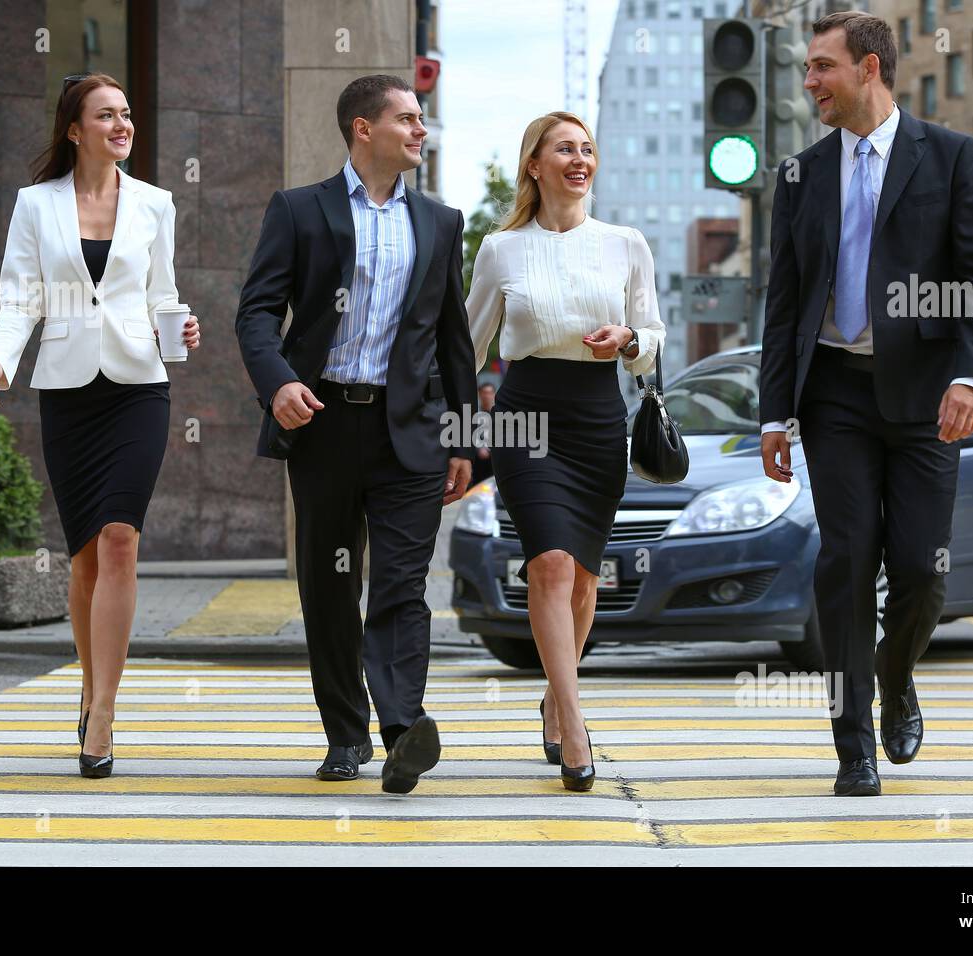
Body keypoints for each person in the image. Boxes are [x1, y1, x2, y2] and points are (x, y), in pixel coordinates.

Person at [758, 12, 973, 796]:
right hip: (834, 394)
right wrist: (773, 413)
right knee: (845, 561)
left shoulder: (950, 157)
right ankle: (852, 747)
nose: (809, 83)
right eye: (805, 69)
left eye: (821, 67)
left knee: (921, 572)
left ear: (869, 69)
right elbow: (784, 301)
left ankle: (896, 678)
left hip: (928, 398)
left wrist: (971, 377)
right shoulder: (799, 175)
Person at [234, 74, 477, 793]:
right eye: (406, 118)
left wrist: (463, 436)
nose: (420, 129)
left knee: (402, 585)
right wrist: (277, 382)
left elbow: (454, 339)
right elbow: (255, 315)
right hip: (324, 423)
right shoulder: (300, 210)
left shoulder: (440, 221)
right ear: (362, 129)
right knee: (332, 585)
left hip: (413, 433)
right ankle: (346, 733)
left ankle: (402, 729)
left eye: (422, 118)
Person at [0, 73, 200, 780]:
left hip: (139, 388)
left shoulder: (156, 204)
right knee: (84, 559)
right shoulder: (35, 205)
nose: (122, 124)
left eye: (127, 114)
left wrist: (180, 328)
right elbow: (22, 295)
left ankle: (103, 711)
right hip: (68, 389)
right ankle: (89, 684)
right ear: (76, 130)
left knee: (120, 540)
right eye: (107, 115)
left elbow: (162, 291)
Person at [466, 111, 665, 791]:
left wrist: (631, 340)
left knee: (583, 578)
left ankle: (556, 694)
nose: (579, 160)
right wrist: (457, 429)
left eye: (587, 150)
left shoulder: (625, 243)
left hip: (597, 417)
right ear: (535, 165)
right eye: (564, 150)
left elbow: (652, 339)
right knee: (548, 563)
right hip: (526, 416)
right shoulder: (500, 249)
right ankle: (575, 720)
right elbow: (468, 345)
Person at [469, 382, 497, 485]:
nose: (487, 396)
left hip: (495, 458)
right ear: (479, 394)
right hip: (478, 461)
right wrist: (479, 448)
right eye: (484, 393)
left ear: (494, 394)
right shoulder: (473, 415)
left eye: (490, 393)